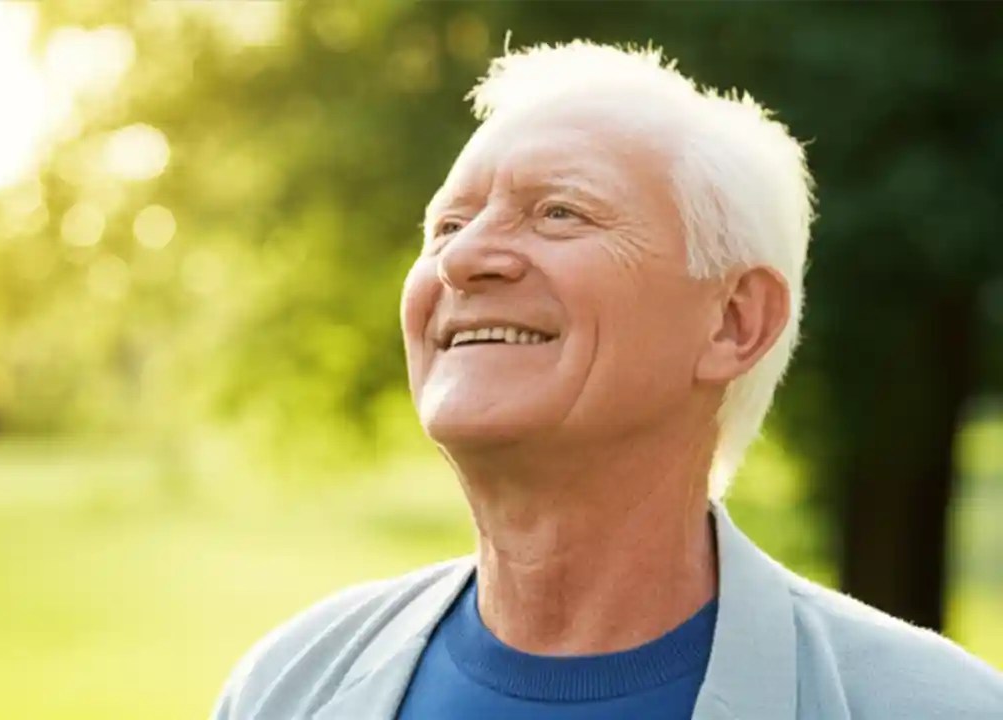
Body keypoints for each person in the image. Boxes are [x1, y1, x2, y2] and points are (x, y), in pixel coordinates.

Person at [212, 40, 1003, 719]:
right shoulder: (287, 685)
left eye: (559, 212)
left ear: (734, 322)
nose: (462, 257)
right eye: (447, 225)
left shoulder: (938, 708)